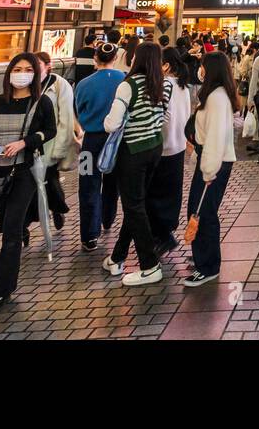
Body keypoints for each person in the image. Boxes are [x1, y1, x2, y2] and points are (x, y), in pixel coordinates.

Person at [0, 53, 56, 316]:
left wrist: (25, 142)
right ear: (9, 73)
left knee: (12, 232)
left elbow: (49, 130)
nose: (22, 73)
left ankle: (1, 289)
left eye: (28, 69)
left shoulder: (42, 103)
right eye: (17, 69)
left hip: (24, 172)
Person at [102, 41, 169, 287]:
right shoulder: (163, 84)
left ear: (136, 59)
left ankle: (150, 265)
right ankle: (118, 257)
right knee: (136, 205)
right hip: (154, 147)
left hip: (133, 152)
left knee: (133, 207)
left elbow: (111, 124)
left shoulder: (128, 86)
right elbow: (163, 116)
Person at [182, 51, 239, 286]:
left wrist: (208, 170)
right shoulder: (215, 94)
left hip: (214, 162)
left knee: (203, 213)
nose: (200, 69)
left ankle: (209, 266)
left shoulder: (217, 98)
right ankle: (202, 258)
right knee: (198, 210)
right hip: (211, 159)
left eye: (203, 66)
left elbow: (216, 136)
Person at [73, 41, 123, 251]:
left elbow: (77, 109)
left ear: (95, 59)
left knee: (87, 184)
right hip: (116, 141)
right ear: (115, 58)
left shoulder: (84, 84)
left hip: (89, 141)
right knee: (113, 181)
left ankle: (89, 235)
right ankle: (108, 218)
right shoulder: (124, 80)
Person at [148, 47, 192, 256]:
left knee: (155, 192)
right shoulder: (183, 86)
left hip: (164, 146)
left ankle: (163, 236)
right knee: (171, 191)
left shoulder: (165, 84)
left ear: (166, 65)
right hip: (179, 145)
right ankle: (166, 232)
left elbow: (162, 115)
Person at [29, 51, 79, 233]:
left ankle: (58, 208)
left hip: (51, 142)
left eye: (36, 65)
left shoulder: (59, 85)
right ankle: (24, 224)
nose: (31, 70)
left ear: (48, 65)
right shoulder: (24, 84)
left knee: (49, 180)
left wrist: (60, 148)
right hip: (28, 144)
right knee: (28, 184)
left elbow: (65, 117)